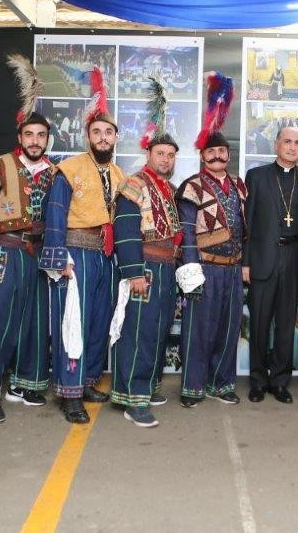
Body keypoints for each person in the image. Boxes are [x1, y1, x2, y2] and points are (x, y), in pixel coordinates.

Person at [0, 60, 56, 422]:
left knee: (34, 323)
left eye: (41, 135)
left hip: (37, 254)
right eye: (29, 135)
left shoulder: (55, 172)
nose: (35, 141)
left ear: (47, 139)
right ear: (20, 137)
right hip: (5, 252)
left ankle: (24, 383)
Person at [40, 67, 124, 424]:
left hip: (104, 257)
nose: (103, 138)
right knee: (72, 323)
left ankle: (88, 381)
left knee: (98, 323)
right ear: (87, 136)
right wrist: (59, 259)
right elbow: (55, 215)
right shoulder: (69, 169)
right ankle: (69, 392)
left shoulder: (119, 174)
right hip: (75, 255)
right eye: (97, 132)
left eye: (108, 132)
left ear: (115, 138)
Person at [110, 94, 182, 428]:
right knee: (138, 332)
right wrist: (134, 272)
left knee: (159, 330)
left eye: (170, 154)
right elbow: (125, 230)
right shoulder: (134, 183)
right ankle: (132, 398)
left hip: (166, 268)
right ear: (149, 154)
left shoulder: (169, 188)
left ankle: (149, 386)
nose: (165, 159)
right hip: (146, 269)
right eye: (160, 153)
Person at [176, 71, 245, 408]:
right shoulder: (191, 186)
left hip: (233, 269)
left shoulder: (240, 185)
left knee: (229, 329)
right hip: (204, 267)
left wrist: (245, 264)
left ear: (228, 155)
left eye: (222, 151)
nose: (217, 155)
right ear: (202, 156)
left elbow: (247, 228)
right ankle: (193, 387)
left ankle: (222, 383)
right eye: (211, 151)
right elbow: (186, 229)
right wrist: (191, 268)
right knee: (198, 330)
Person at [244, 126, 298, 403]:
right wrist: (245, 262)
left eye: (297, 143)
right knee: (260, 323)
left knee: (286, 324)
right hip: (263, 258)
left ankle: (280, 381)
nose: (291, 147)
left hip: (295, 257)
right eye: (287, 141)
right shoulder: (256, 176)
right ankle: (257, 380)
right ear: (276, 144)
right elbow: (247, 224)